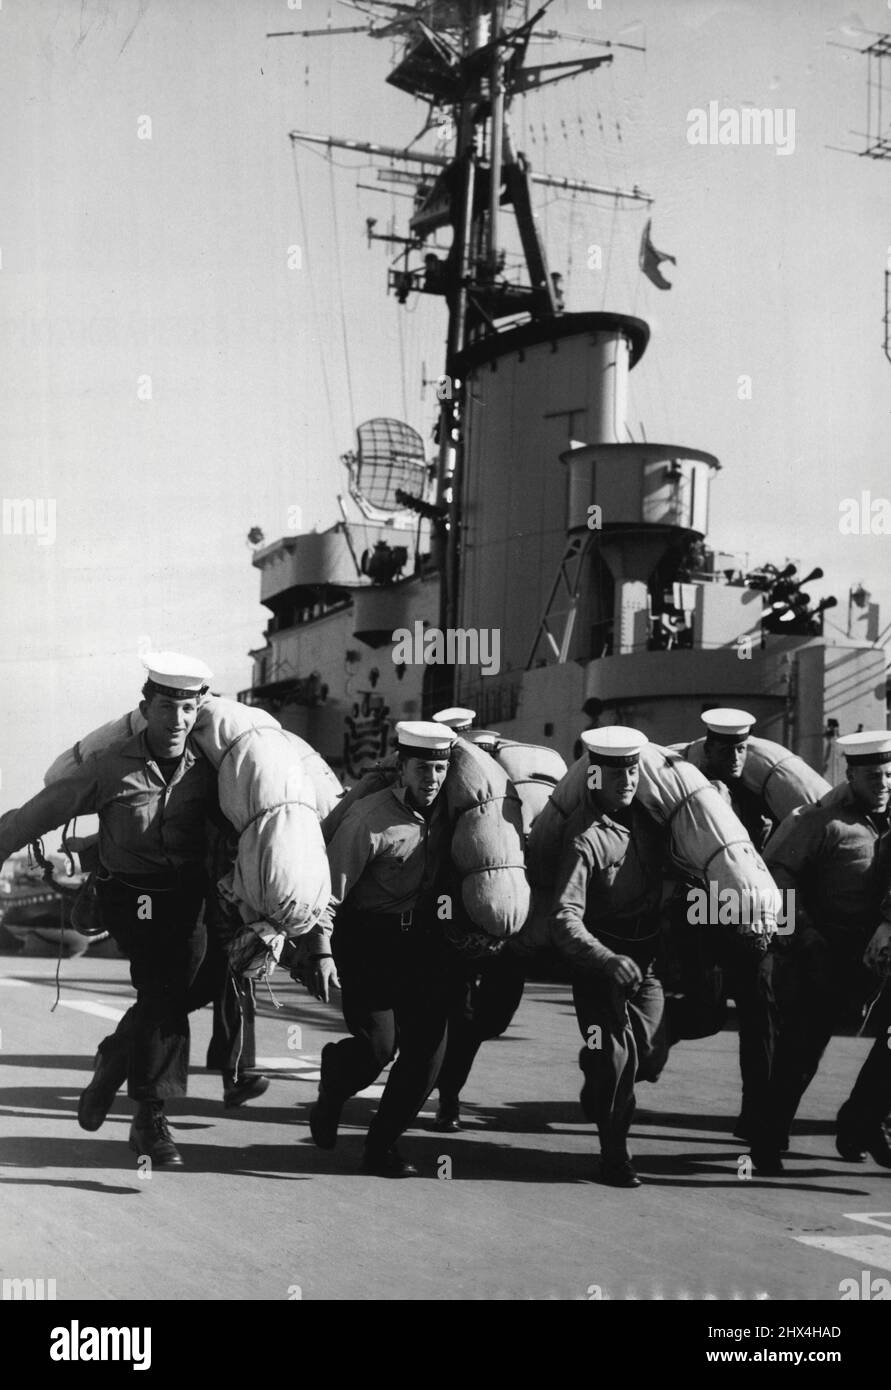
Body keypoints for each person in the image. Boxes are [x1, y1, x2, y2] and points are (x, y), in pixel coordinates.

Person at [0, 653, 262, 1168]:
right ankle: (149, 1120)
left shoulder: (211, 772)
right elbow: (38, 813)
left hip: (187, 896)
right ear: (146, 708)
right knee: (163, 987)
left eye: (188, 710)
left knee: (204, 982)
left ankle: (114, 1060)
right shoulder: (110, 768)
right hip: (130, 896)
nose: (177, 721)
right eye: (166, 707)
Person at [302, 720, 458, 1177]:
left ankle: (381, 1147)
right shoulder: (369, 819)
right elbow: (327, 895)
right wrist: (320, 952)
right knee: (377, 1049)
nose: (431, 779)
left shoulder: (453, 812)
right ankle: (333, 1087)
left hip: (424, 945)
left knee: (430, 1051)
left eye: (440, 768)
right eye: (422, 768)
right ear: (402, 769)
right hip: (368, 942)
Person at [750, 731, 891, 1175]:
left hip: (883, 960)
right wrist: (806, 937)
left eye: (889, 774)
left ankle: (861, 1121)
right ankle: (767, 1141)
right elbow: (779, 880)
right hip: (826, 956)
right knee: (800, 1055)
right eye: (873, 776)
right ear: (850, 775)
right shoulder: (821, 821)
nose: (884, 783)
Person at [550, 727, 670, 1188]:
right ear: (594, 775)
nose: (627, 779)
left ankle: (593, 1066)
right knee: (618, 1059)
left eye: (633, 769)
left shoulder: (654, 820)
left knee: (651, 1056)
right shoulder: (584, 839)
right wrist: (604, 959)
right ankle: (615, 1153)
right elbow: (564, 918)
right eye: (615, 771)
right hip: (599, 964)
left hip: (649, 961)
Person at [666, 709, 778, 1141]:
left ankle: (758, 1120)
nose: (735, 755)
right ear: (708, 748)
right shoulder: (689, 794)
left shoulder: (758, 795)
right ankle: (646, 1040)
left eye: (742, 747)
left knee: (761, 1014)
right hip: (701, 911)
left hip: (752, 913)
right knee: (704, 1013)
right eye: (726, 747)